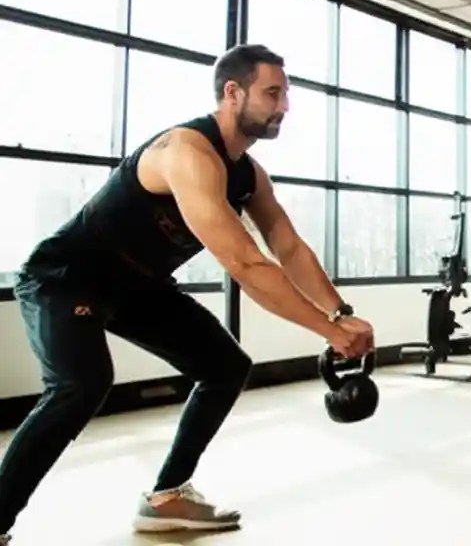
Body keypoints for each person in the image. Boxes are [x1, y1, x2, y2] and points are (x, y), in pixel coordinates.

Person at [0, 44, 375, 544]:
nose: (284, 107)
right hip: (66, 274)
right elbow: (244, 262)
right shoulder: (186, 152)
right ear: (232, 92)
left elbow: (287, 245)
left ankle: (166, 496)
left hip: (137, 285)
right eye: (272, 93)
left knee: (224, 366)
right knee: (80, 385)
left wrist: (340, 312)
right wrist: (327, 332)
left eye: (286, 95)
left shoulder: (248, 174)